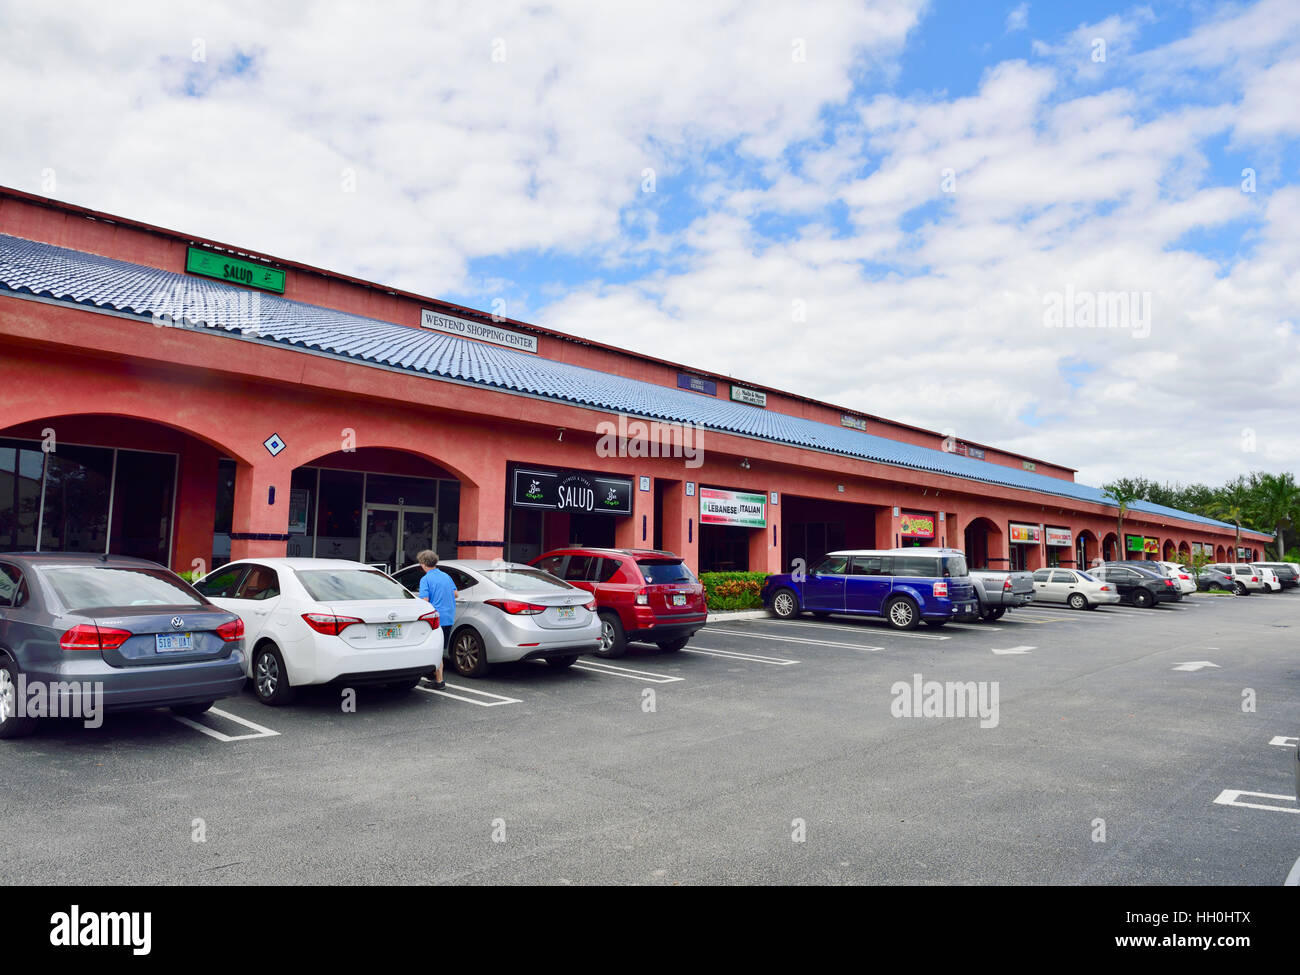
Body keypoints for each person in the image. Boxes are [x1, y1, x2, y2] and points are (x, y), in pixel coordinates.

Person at [416, 549, 455, 689]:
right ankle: (433, 674)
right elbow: (455, 593)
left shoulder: (425, 579)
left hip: (436, 619)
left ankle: (439, 681)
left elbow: (425, 600)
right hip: (449, 617)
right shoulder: (446, 576)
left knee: (436, 650)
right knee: (440, 648)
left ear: (423, 564)